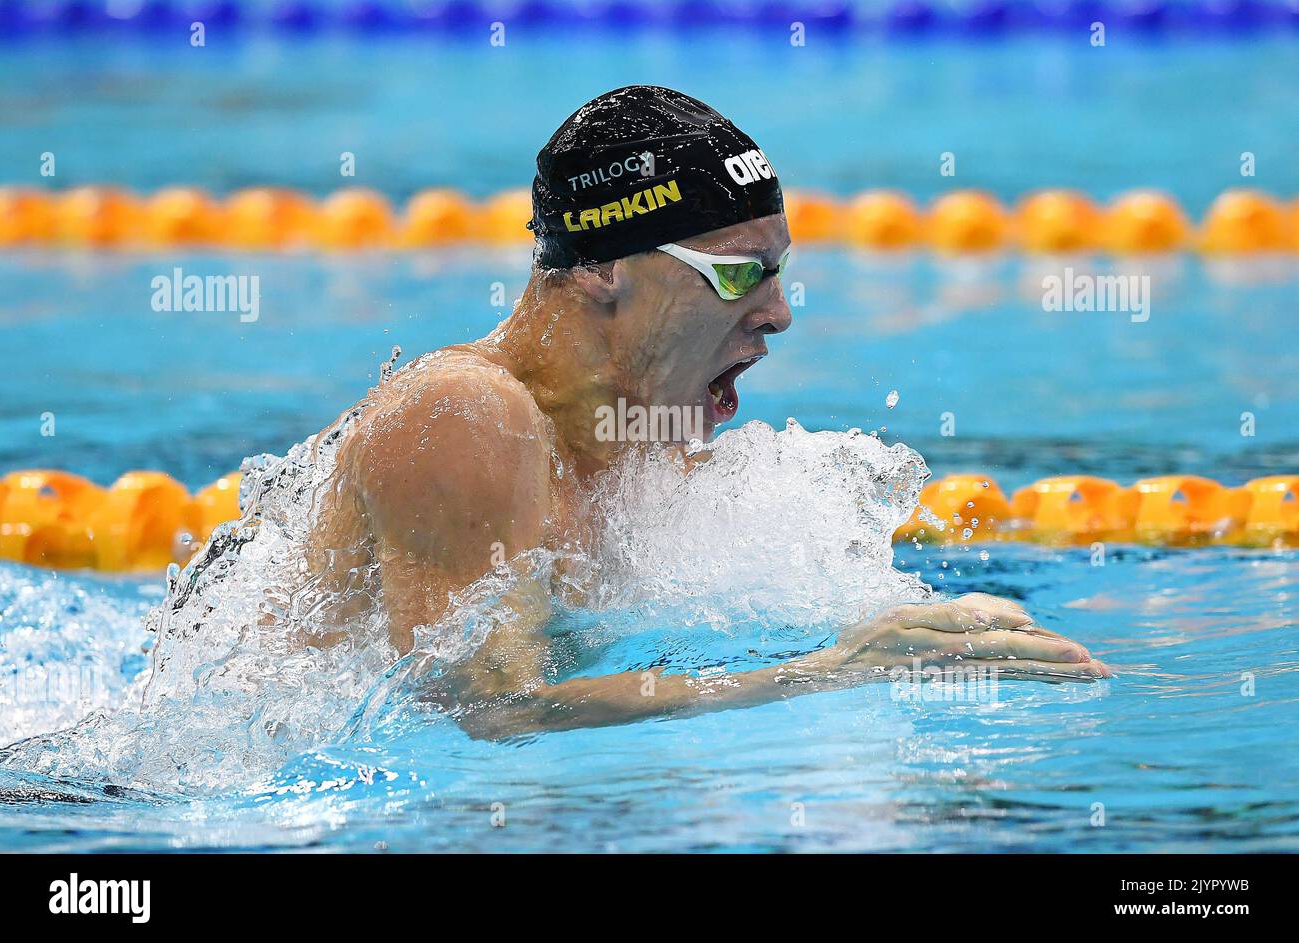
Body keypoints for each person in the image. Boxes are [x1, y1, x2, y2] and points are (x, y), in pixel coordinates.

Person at [306, 85, 1110, 738]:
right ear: (606, 269)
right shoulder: (463, 414)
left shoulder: (645, 429)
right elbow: (491, 707)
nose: (777, 313)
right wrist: (832, 670)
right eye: (737, 276)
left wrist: (912, 627)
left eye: (778, 273)